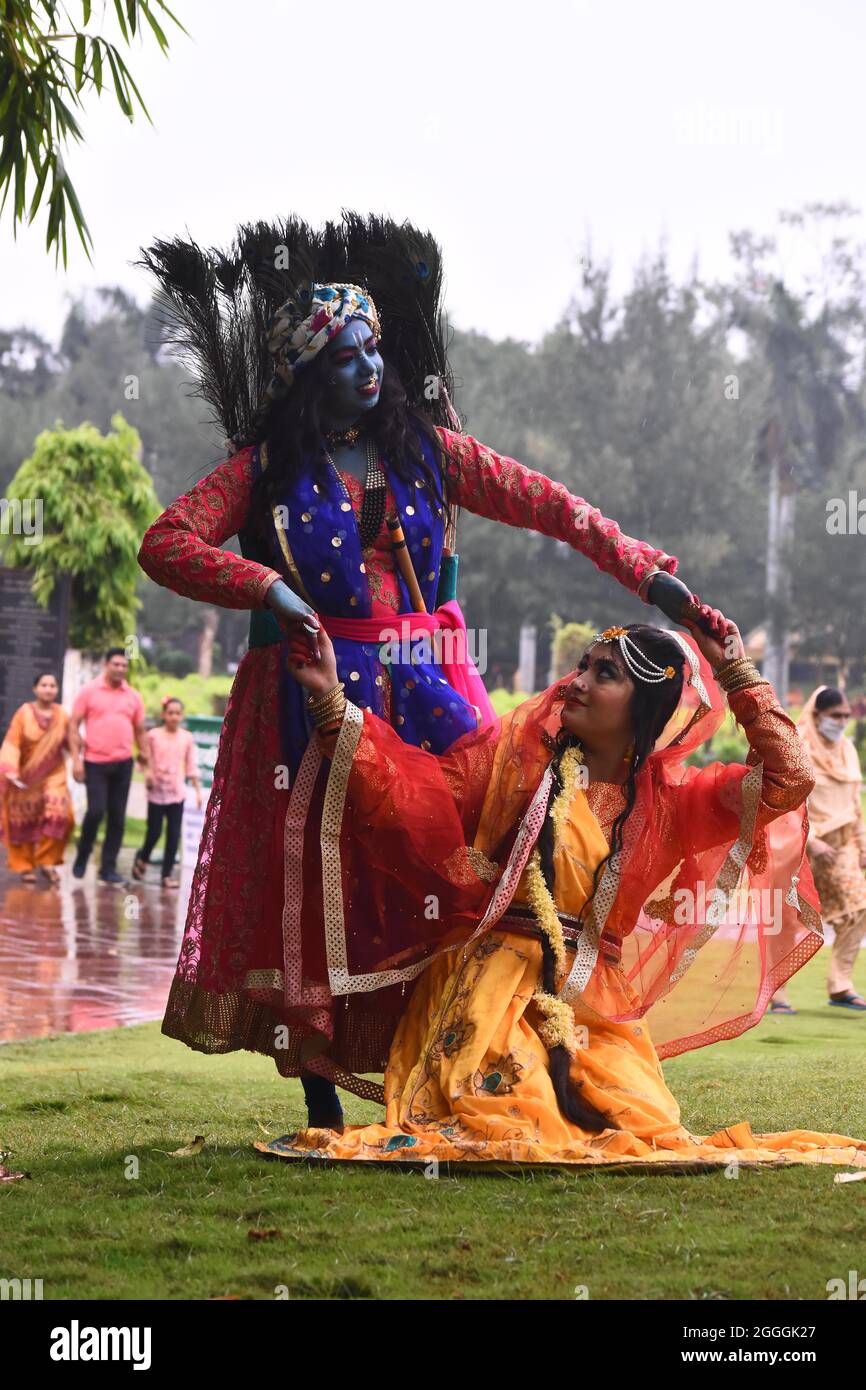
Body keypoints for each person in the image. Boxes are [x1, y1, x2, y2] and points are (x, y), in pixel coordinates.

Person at [137, 215, 723, 1130]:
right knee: (321, 887)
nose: (368, 368)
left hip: (429, 685)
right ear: (303, 375)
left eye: (374, 349)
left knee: (463, 864)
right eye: (343, 356)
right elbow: (163, 543)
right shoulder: (263, 471)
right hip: (311, 691)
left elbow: (553, 506)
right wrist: (266, 589)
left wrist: (644, 569)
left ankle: (473, 1058)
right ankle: (323, 1099)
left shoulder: (429, 452)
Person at [255, 616, 866, 1171]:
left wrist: (735, 668)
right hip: (487, 990)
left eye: (605, 675)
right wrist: (329, 699)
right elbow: (413, 800)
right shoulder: (516, 770)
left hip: (594, 1007)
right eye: (582, 666)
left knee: (639, 1128)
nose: (575, 682)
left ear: (645, 708)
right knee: (507, 1116)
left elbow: (790, 779)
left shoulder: (676, 803)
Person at [796, 687, 866, 1011]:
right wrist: (811, 842)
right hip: (812, 845)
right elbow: (792, 805)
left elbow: (855, 803)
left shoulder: (848, 750)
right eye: (834, 715)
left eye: (845, 716)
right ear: (817, 714)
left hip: (846, 844)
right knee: (792, 918)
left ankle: (840, 985)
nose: (840, 722)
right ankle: (777, 993)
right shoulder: (800, 749)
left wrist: (862, 844)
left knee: (860, 908)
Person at [68, 648, 149, 885]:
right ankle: (83, 853)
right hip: (95, 763)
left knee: (117, 818)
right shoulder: (89, 691)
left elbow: (140, 730)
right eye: (116, 664)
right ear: (106, 664)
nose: (121, 669)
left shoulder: (133, 696)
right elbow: (73, 725)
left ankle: (108, 868)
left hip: (123, 764)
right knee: (95, 812)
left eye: (124, 665)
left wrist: (144, 754)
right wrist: (75, 759)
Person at [0, 672, 74, 885]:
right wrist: (10, 769)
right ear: (35, 689)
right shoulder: (24, 713)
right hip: (25, 776)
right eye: (44, 685)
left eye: (53, 685)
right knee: (23, 821)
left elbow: (71, 743)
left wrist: (81, 759)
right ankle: (25, 866)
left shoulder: (62, 715)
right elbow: (12, 743)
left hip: (54, 774)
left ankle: (47, 861)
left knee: (61, 815)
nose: (49, 689)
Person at [132, 696, 202, 889]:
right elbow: (143, 759)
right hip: (156, 790)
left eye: (178, 713)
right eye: (170, 713)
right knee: (154, 832)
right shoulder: (153, 735)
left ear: (182, 716)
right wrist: (147, 775)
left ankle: (166, 875)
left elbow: (191, 765)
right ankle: (142, 858)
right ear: (163, 715)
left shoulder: (186, 737)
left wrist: (197, 791)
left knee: (173, 834)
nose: (174, 717)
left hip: (176, 791)